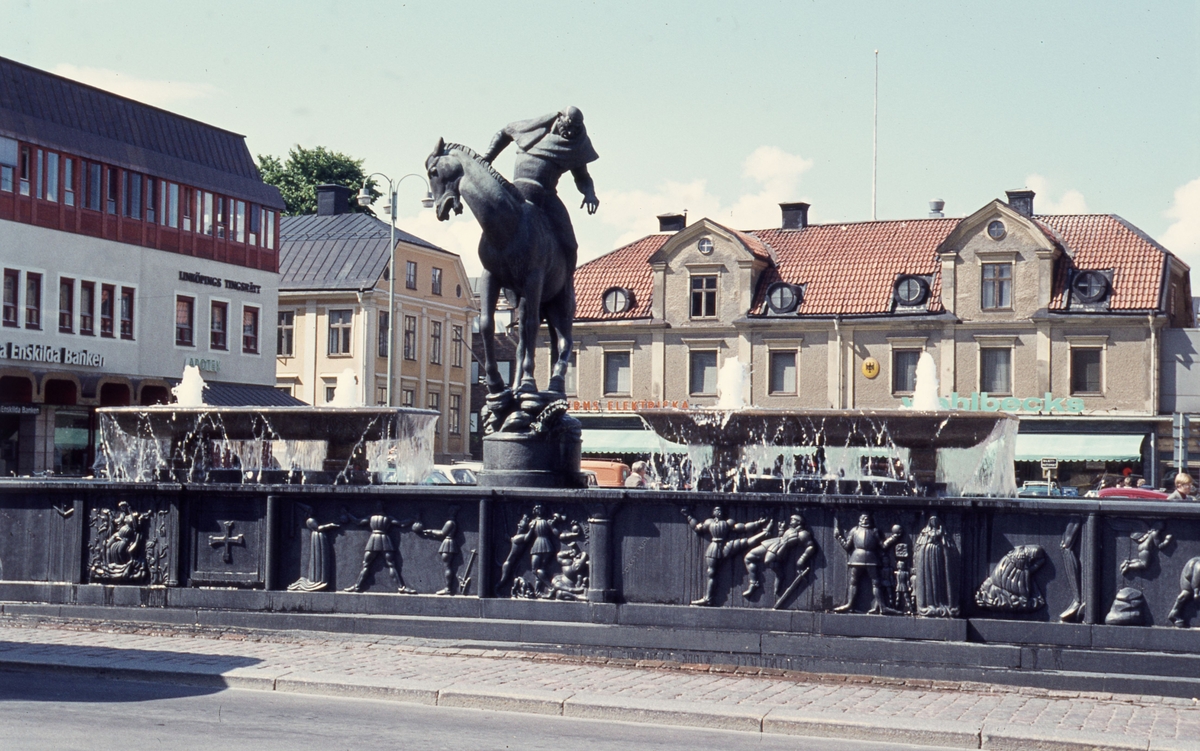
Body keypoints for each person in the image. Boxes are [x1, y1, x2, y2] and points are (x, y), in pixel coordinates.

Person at [481, 106, 599, 265]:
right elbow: (504, 133)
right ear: (559, 118)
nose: (570, 132)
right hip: (514, 191)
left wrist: (589, 193)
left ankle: (566, 286)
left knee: (570, 244)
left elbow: (582, 177)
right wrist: (488, 157)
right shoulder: (533, 128)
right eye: (568, 126)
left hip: (545, 197)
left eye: (575, 129)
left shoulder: (576, 143)